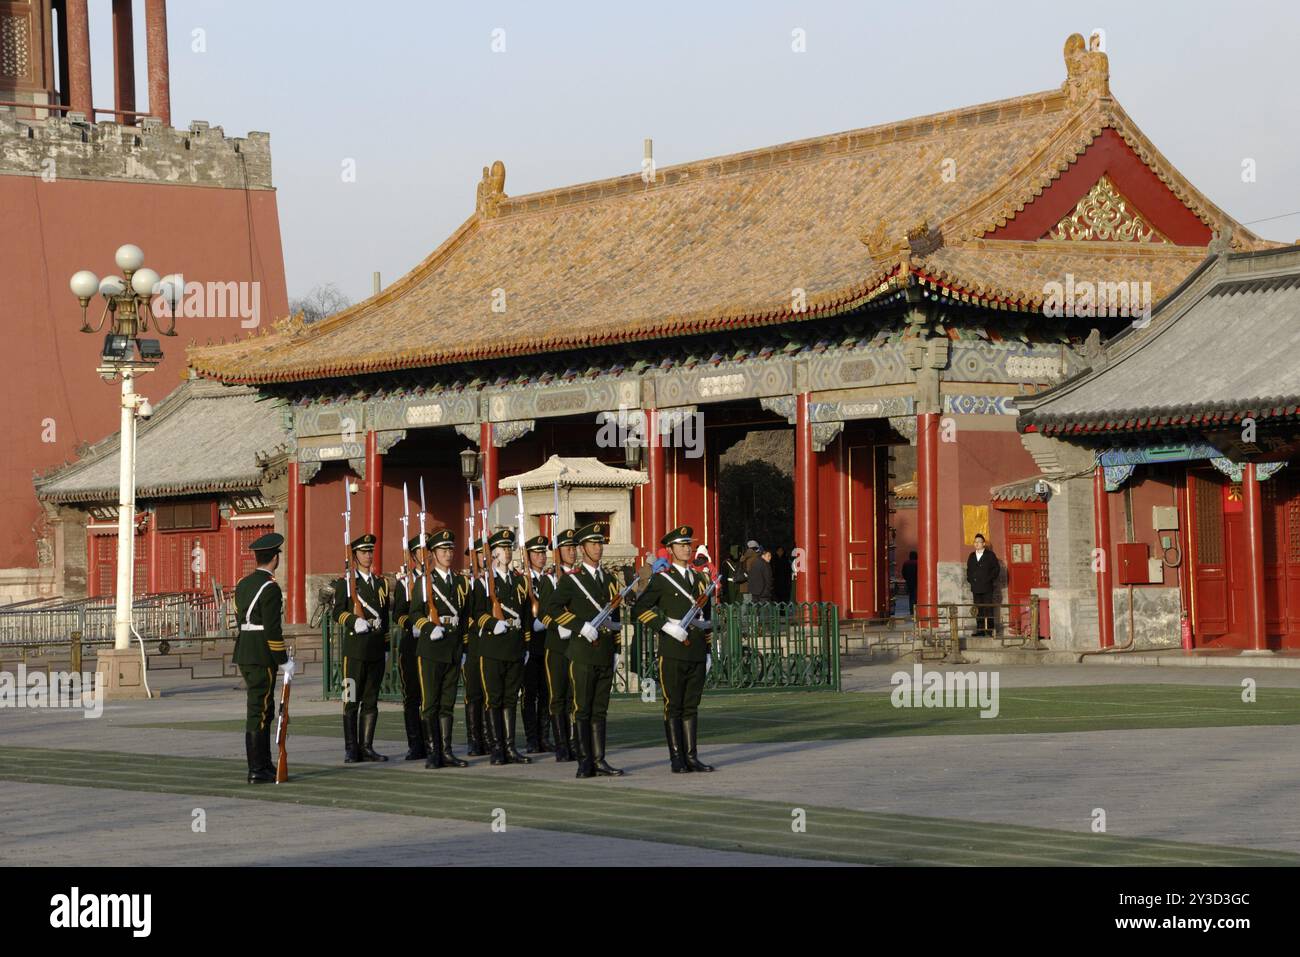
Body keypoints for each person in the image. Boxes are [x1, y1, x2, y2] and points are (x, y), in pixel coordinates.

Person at [544, 522, 624, 779]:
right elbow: (553, 609)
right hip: (581, 652)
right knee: (582, 708)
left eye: (600, 543)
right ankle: (584, 761)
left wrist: (616, 649)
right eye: (592, 544)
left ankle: (599, 760)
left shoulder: (610, 580)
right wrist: (580, 626)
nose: (597, 548)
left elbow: (616, 615)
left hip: (603, 650)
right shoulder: (572, 581)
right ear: (582, 548)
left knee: (600, 708)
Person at [633, 525, 715, 774]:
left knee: (691, 705)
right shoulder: (662, 580)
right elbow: (640, 609)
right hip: (672, 650)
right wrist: (666, 626)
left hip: (696, 650)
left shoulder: (701, 579)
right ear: (670, 550)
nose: (686, 549)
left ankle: (692, 756)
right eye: (680, 545)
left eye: (688, 544)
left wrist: (709, 650)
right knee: (674, 705)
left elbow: (707, 617)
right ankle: (677, 758)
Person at [412, 528, 470, 769]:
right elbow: (414, 613)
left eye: (450, 550)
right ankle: (433, 752)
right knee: (430, 702)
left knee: (447, 702)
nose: (448, 554)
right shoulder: (424, 582)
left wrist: (464, 647)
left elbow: (465, 615)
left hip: (453, 645)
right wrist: (427, 627)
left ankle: (446, 751)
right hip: (431, 648)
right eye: (443, 550)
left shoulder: (460, 581)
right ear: (433, 553)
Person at [232, 532, 287, 784]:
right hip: (262, 654)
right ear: (275, 558)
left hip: (245, 650)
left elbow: (240, 619)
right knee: (261, 709)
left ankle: (263, 763)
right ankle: (257, 768)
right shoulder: (271, 588)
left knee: (260, 707)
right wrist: (283, 659)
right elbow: (272, 628)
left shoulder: (243, 583)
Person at [474, 528, 532, 765]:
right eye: (503, 548)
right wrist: (491, 624)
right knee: (494, 698)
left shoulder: (518, 581)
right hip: (493, 647)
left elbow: (526, 613)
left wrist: (526, 643)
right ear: (494, 553)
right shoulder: (485, 583)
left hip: (514, 646)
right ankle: (497, 748)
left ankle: (510, 747)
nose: (507, 552)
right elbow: (477, 612)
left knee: (511, 698)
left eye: (509, 547)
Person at [331, 533, 389, 763]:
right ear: (354, 556)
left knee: (371, 700)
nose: (368, 555)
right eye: (363, 552)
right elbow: (337, 612)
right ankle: (350, 748)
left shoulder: (381, 583)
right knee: (351, 699)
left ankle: (367, 746)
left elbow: (384, 617)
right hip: (354, 652)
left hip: (374, 648)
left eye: (370, 552)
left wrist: (385, 647)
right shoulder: (345, 583)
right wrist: (353, 620)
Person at [391, 532, 430, 761]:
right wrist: (413, 624)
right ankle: (415, 743)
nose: (425, 555)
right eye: (420, 551)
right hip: (412, 644)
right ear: (414, 555)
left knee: (430, 695)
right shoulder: (406, 582)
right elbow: (398, 614)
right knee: (412, 695)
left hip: (432, 643)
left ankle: (432, 740)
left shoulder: (434, 579)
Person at [541, 528, 579, 762]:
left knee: (573, 697)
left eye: (574, 548)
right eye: (567, 548)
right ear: (558, 552)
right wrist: (559, 627)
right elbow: (544, 614)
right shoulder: (549, 580)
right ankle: (561, 745)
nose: (572, 552)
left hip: (576, 643)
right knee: (558, 696)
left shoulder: (577, 577)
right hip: (556, 645)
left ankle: (574, 742)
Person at [520, 534, 553, 754]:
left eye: (543, 553)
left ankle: (544, 737)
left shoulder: (550, 579)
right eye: (537, 553)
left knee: (547, 692)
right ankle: (532, 738)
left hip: (548, 642)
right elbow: (520, 612)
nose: (541, 557)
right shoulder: (523, 581)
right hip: (530, 644)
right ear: (528, 556)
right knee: (529, 693)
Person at [461, 537, 490, 756]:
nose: (483, 557)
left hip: (492, 643)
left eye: (486, 553)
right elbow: (462, 614)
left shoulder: (495, 580)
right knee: (474, 694)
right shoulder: (466, 583)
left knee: (491, 693)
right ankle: (474, 739)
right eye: (479, 554)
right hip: (472, 643)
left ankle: (490, 737)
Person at [966, 533, 1001, 636]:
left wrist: (989, 579)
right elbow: (969, 570)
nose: (976, 544)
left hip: (987, 587)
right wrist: (970, 579)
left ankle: (990, 630)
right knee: (978, 609)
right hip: (976, 587)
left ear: (983, 543)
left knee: (988, 608)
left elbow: (996, 569)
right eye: (975, 542)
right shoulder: (972, 556)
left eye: (979, 542)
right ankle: (980, 630)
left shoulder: (990, 555)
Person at [902, 550, 919, 614]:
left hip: (909, 582)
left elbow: (903, 572)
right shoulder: (918, 563)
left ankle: (911, 610)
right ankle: (916, 609)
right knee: (916, 596)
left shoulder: (906, 563)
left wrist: (906, 579)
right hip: (917, 582)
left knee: (911, 596)